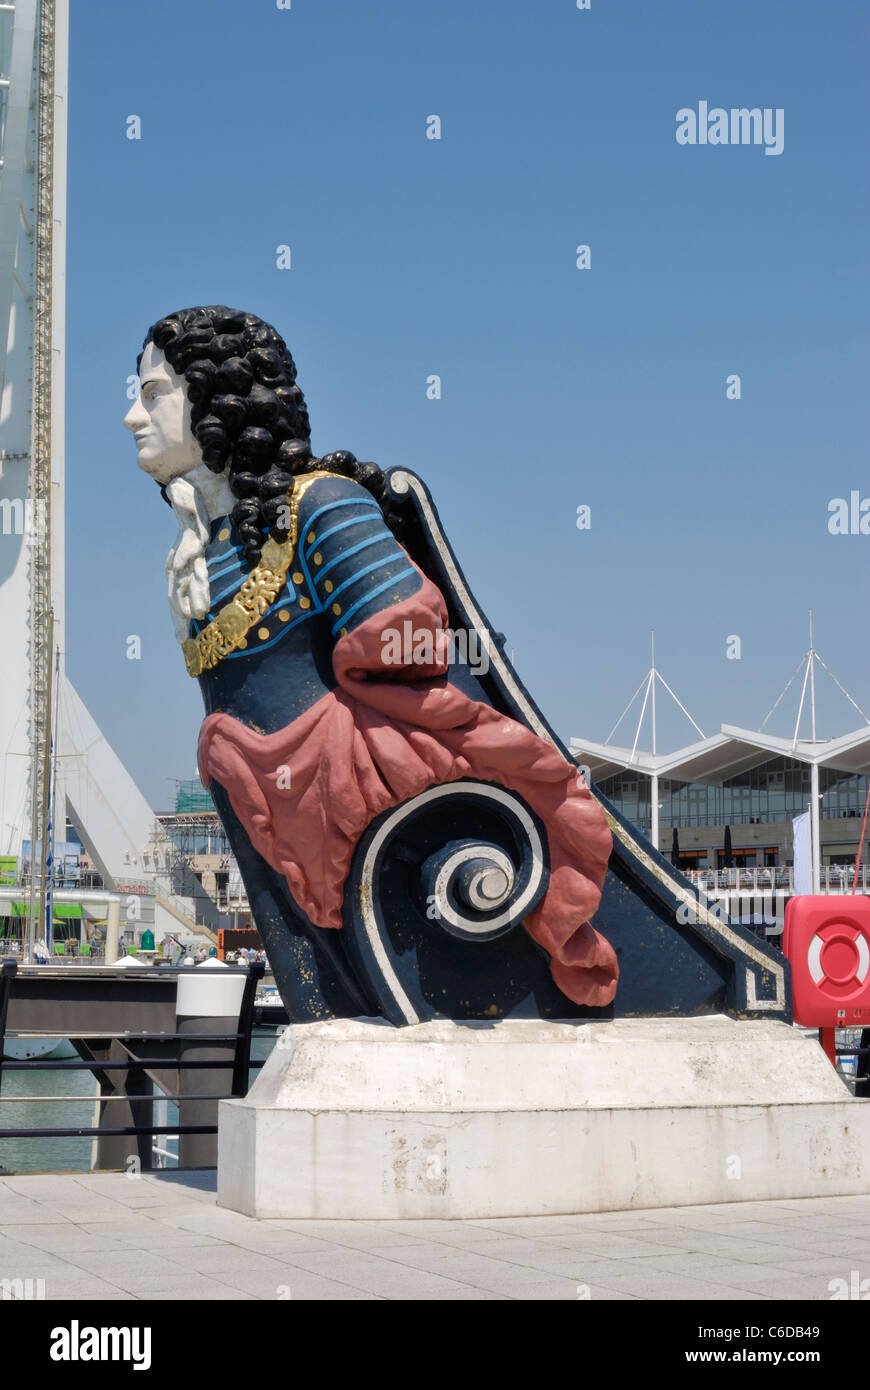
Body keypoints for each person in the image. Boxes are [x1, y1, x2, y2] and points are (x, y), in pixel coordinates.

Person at [127, 306, 616, 1021]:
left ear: (218, 397)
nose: (132, 417)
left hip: (337, 788)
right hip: (260, 799)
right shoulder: (204, 549)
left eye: (152, 393)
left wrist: (350, 692)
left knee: (339, 999)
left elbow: (412, 636)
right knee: (316, 1003)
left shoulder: (321, 507)